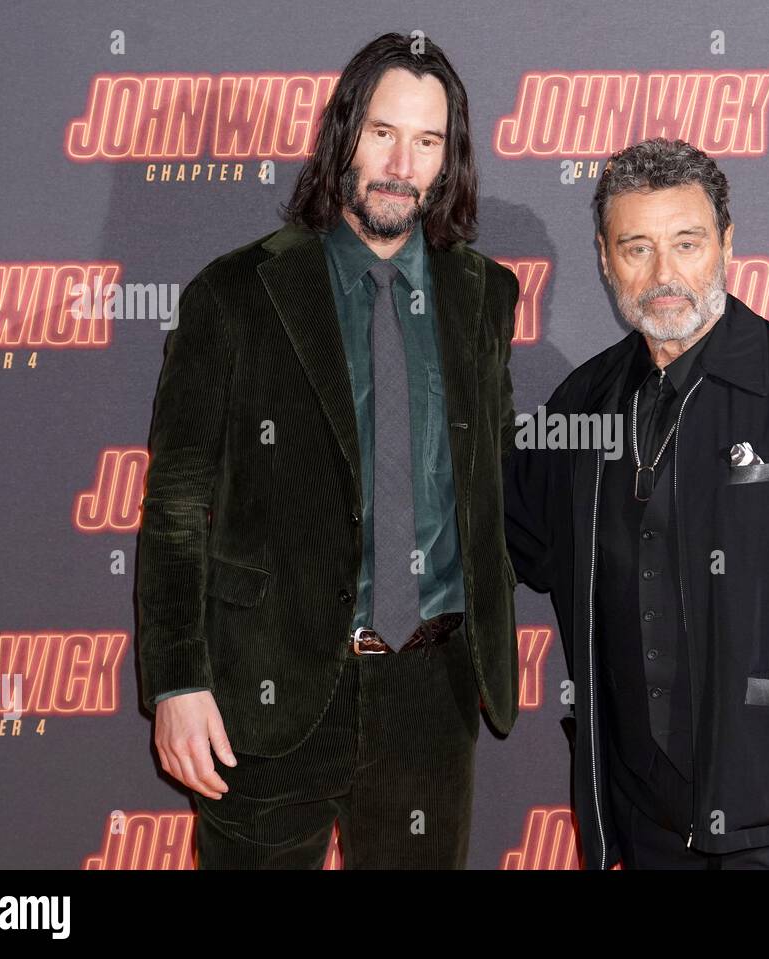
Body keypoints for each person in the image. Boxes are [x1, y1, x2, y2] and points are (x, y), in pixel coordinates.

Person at [135, 32, 521, 869]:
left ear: (449, 160)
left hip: (431, 693)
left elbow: (491, 478)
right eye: (382, 131)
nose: (400, 162)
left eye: (427, 141)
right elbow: (174, 507)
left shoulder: (484, 294)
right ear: (342, 131)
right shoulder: (234, 293)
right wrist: (176, 680)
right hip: (267, 691)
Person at [504, 137, 769, 870]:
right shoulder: (584, 404)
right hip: (641, 825)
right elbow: (501, 539)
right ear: (606, 260)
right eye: (636, 247)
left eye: (687, 242)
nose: (664, 274)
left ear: (727, 245)